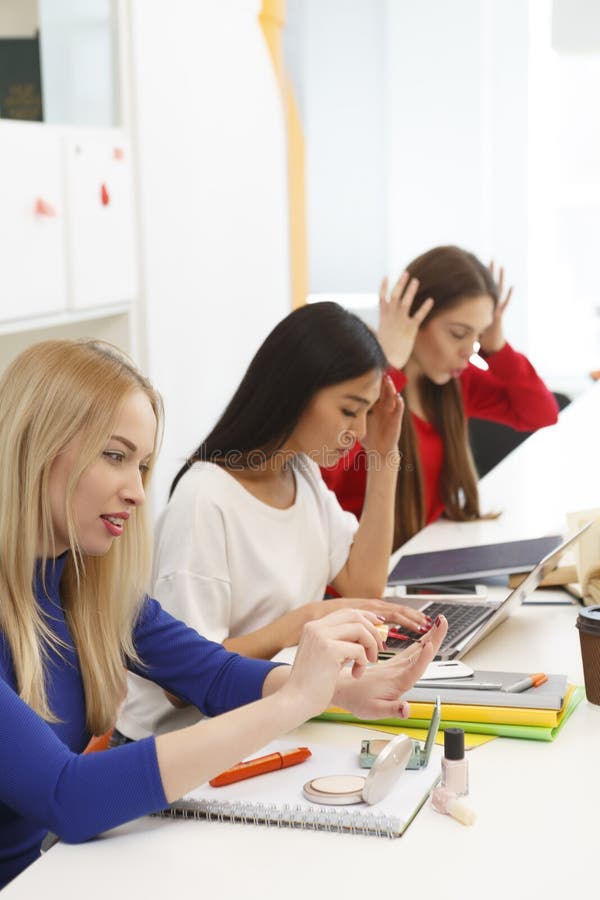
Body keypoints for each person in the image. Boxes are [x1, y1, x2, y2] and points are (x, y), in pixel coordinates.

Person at [0, 338, 448, 889]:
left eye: (142, 465)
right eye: (114, 456)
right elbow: (66, 797)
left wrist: (337, 688)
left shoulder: (85, 584)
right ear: (34, 446)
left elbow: (209, 672)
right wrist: (293, 702)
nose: (138, 492)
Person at [116, 301, 432, 742]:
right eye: (348, 410)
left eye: (367, 413)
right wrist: (303, 622)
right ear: (296, 392)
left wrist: (383, 458)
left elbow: (363, 586)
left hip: (260, 728)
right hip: (179, 749)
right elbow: (179, 686)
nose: (360, 430)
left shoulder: (301, 474)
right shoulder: (205, 500)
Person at [321, 246, 560, 550]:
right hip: (358, 571)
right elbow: (323, 475)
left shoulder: (457, 384)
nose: (469, 350)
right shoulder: (361, 384)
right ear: (412, 318)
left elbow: (540, 413)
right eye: (459, 333)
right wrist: (387, 364)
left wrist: (496, 346)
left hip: (423, 561)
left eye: (478, 336)